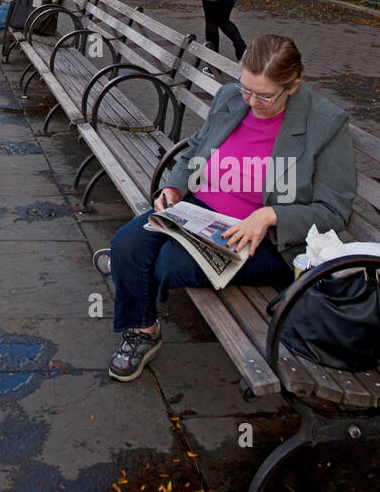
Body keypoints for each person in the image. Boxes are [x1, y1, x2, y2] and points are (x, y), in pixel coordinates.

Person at [98, 34, 356, 382]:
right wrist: (174, 187)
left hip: (267, 237)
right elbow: (193, 152)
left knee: (168, 263)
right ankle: (144, 330)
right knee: (126, 243)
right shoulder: (230, 97)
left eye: (263, 95)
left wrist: (269, 215)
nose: (250, 101)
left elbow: (334, 210)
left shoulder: (326, 123)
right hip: (199, 209)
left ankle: (131, 274)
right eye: (246, 88)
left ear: (294, 86)